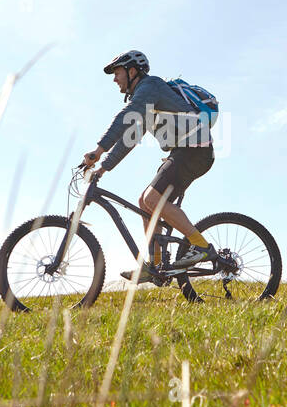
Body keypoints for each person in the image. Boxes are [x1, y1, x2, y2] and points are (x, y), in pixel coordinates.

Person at [79, 50, 216, 283]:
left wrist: (99, 149)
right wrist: (103, 167)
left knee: (153, 199)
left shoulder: (150, 86)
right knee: (145, 202)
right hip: (185, 151)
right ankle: (154, 266)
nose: (115, 79)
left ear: (132, 71)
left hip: (195, 149)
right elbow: (129, 139)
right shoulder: (146, 101)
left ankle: (201, 246)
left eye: (117, 73)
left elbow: (126, 116)